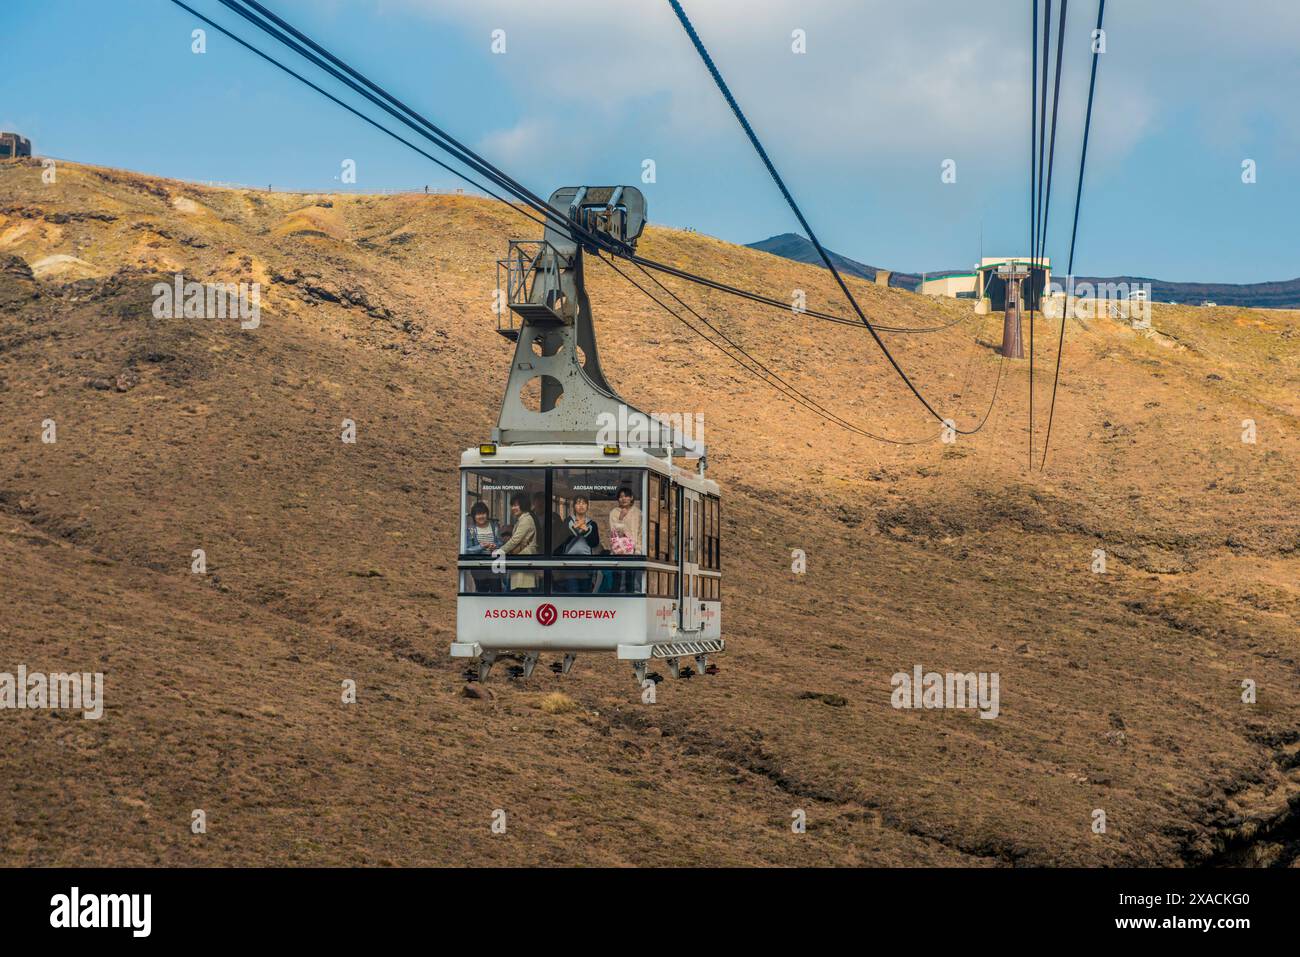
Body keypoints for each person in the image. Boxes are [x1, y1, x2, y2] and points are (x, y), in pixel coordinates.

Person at [554, 495, 600, 593]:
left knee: (585, 593)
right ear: (574, 506)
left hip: (587, 564)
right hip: (570, 564)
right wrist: (574, 529)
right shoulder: (567, 522)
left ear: (587, 506)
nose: (581, 505)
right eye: (578, 503)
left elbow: (594, 543)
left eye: (583, 503)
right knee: (573, 593)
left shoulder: (592, 524)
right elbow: (560, 541)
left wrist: (586, 530)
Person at [501, 493, 540, 591]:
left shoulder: (526, 520)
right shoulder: (522, 519)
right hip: (520, 561)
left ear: (523, 505)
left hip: (523, 561)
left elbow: (515, 540)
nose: (513, 508)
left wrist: (500, 551)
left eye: (516, 505)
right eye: (512, 505)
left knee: (520, 593)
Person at [608, 486, 643, 593]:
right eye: (621, 496)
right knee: (617, 579)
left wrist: (638, 549)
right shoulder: (614, 512)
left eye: (626, 496)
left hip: (632, 551)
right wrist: (621, 518)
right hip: (618, 551)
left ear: (631, 498)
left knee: (631, 579)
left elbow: (640, 532)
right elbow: (614, 532)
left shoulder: (637, 512)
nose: (624, 499)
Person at [464, 501, 503, 592]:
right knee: (481, 594)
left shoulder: (494, 527)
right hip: (479, 568)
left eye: (483, 513)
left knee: (496, 593)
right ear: (474, 516)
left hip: (495, 566)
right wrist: (481, 547)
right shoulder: (471, 530)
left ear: (487, 514)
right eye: (478, 514)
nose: (481, 516)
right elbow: (468, 550)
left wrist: (495, 546)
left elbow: (501, 543)